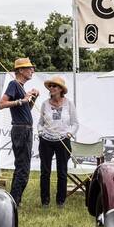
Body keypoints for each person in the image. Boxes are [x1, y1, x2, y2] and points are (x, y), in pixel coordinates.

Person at [0, 57, 39, 205]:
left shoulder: (21, 87)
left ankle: (15, 199)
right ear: (20, 70)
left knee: (21, 167)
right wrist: (22, 100)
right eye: (29, 68)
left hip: (24, 129)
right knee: (23, 168)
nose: (32, 70)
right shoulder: (13, 84)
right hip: (21, 129)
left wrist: (32, 98)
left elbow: (25, 109)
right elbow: (1, 104)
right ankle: (14, 201)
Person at [35, 75, 78, 208]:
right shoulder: (44, 104)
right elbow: (40, 123)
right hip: (46, 141)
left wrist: (70, 133)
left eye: (55, 86)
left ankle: (61, 201)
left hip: (63, 141)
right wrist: (41, 133)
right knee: (45, 172)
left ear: (61, 89)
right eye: (50, 86)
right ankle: (45, 202)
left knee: (62, 172)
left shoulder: (69, 103)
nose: (52, 88)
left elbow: (75, 123)